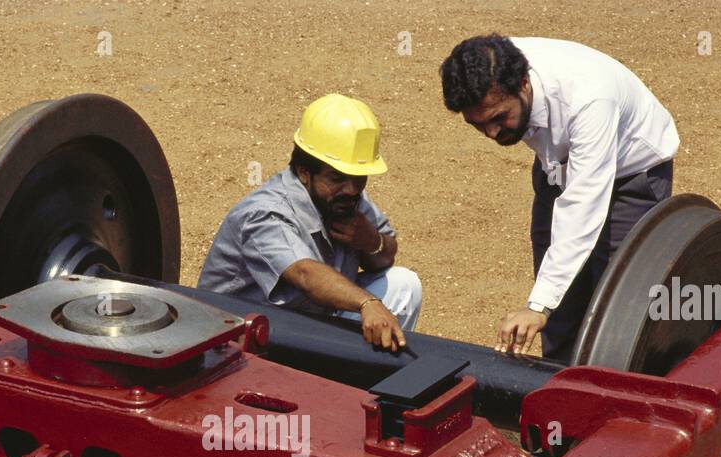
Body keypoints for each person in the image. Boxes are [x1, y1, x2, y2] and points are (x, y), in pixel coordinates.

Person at [440, 35, 679, 360]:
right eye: (477, 124)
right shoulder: (490, 65)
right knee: (558, 292)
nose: (492, 134)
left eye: (499, 118)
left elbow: (582, 206)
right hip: (560, 162)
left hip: (633, 173)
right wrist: (545, 306)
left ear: (524, 83)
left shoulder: (588, 98)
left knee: (620, 303)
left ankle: (622, 393)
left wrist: (537, 307)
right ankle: (562, 386)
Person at [198, 93, 421, 352]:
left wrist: (372, 241)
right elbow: (305, 274)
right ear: (304, 172)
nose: (351, 189)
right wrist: (367, 303)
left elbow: (385, 256)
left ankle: (358, 380)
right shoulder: (266, 213)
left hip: (308, 322)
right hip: (239, 343)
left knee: (405, 285)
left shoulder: (345, 196)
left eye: (359, 178)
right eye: (338, 178)